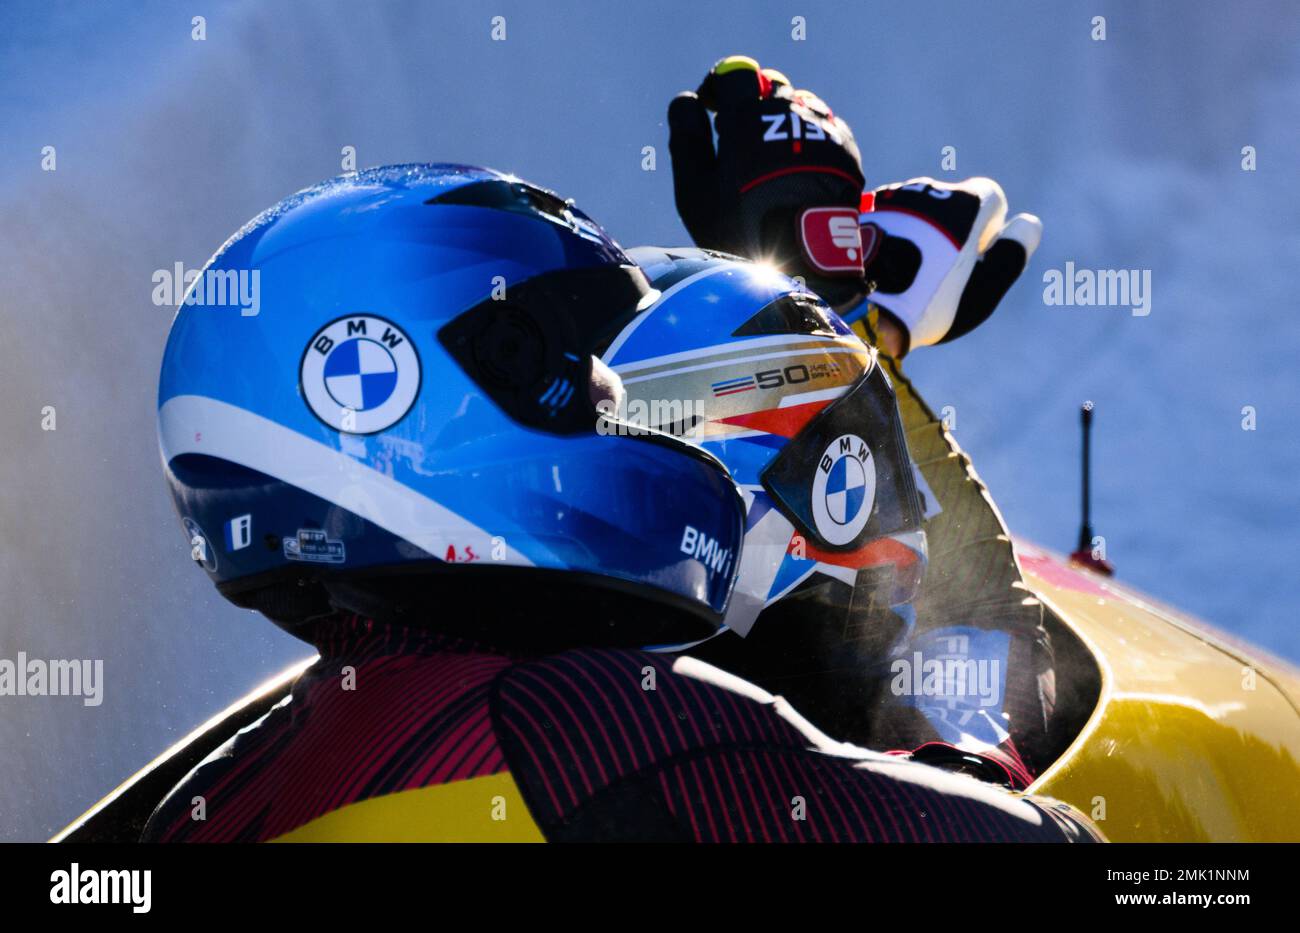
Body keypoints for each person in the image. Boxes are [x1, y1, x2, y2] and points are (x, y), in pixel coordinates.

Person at [141, 163, 1098, 841]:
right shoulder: (591, 726)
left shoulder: (201, 804)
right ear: (392, 385)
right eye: (575, 368)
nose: (608, 403)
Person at [666, 56, 1062, 782]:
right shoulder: (699, 361)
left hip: (913, 740)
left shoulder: (810, 375)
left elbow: (991, 614)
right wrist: (870, 327)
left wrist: (853, 325)